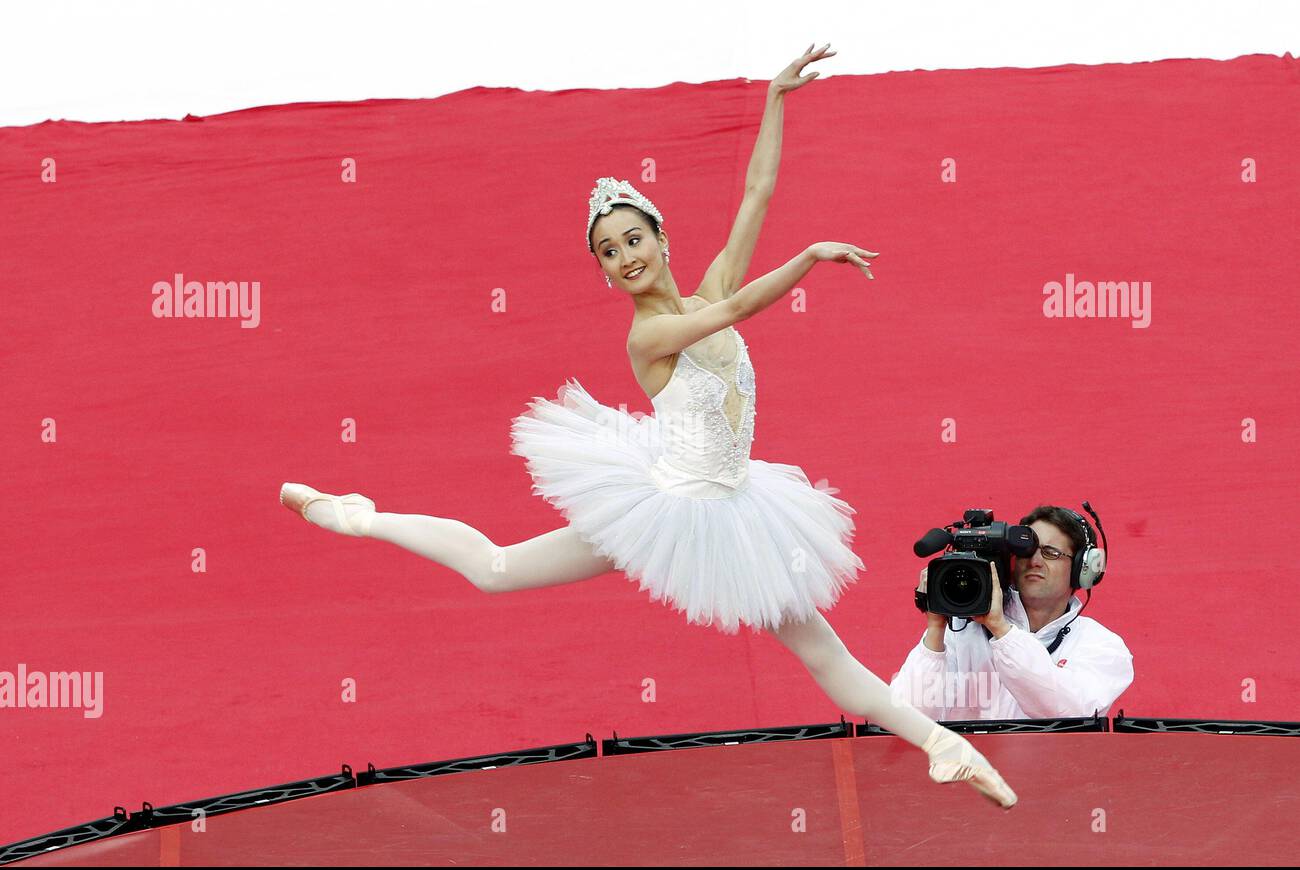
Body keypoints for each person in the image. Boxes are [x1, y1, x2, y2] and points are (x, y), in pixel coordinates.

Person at [279, 44, 1017, 808]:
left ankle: (940, 744)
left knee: (823, 652)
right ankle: (358, 517)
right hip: (664, 505)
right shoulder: (648, 337)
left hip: (738, 509)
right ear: (604, 273)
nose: (625, 256)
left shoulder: (704, 291)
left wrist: (774, 98)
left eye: (633, 239)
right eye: (609, 252)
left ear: (661, 238)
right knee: (495, 570)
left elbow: (756, 195)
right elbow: (736, 311)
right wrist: (808, 257)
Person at [891, 506, 1134, 721]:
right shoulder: (959, 634)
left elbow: (1069, 713)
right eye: (1027, 551)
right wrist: (935, 631)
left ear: (1083, 569)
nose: (1035, 561)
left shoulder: (1101, 645)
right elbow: (903, 719)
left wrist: (1001, 630)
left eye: (1051, 552)